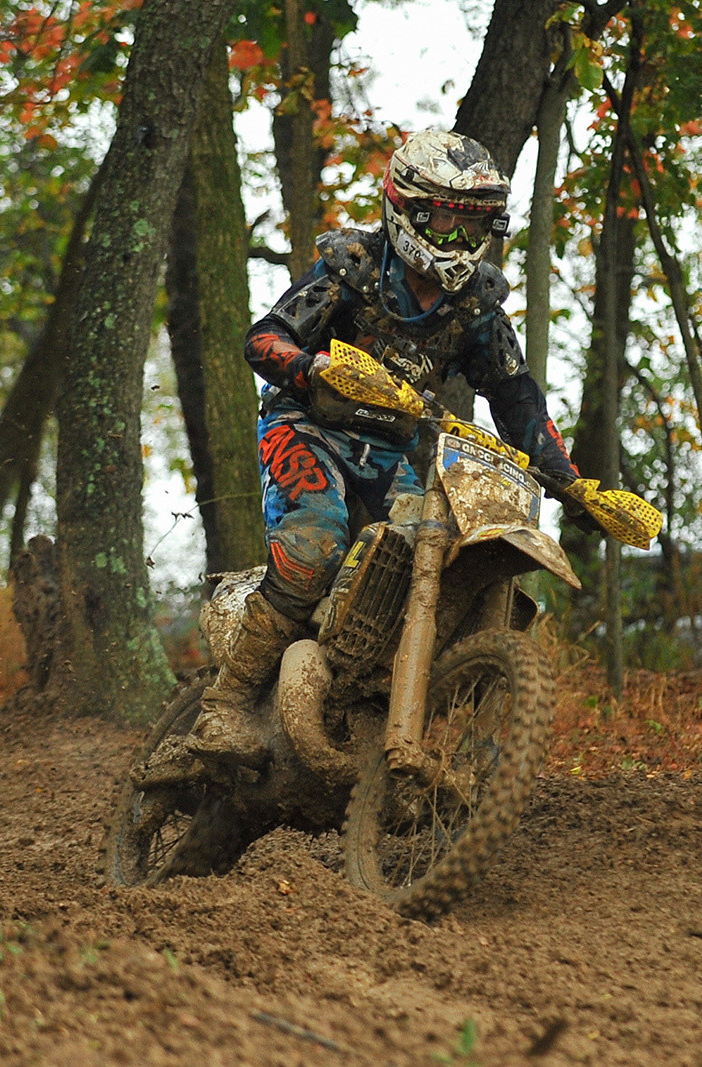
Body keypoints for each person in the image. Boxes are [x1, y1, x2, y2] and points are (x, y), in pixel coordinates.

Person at [190, 129, 591, 767]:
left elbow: (515, 396)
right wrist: (314, 367)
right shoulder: (351, 266)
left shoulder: (478, 302)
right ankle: (225, 704)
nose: (459, 241)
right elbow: (264, 338)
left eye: (475, 226)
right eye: (448, 223)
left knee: (415, 563)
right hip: (307, 425)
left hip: (390, 450)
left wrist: (574, 483)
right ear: (405, 208)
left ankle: (361, 702)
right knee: (316, 539)